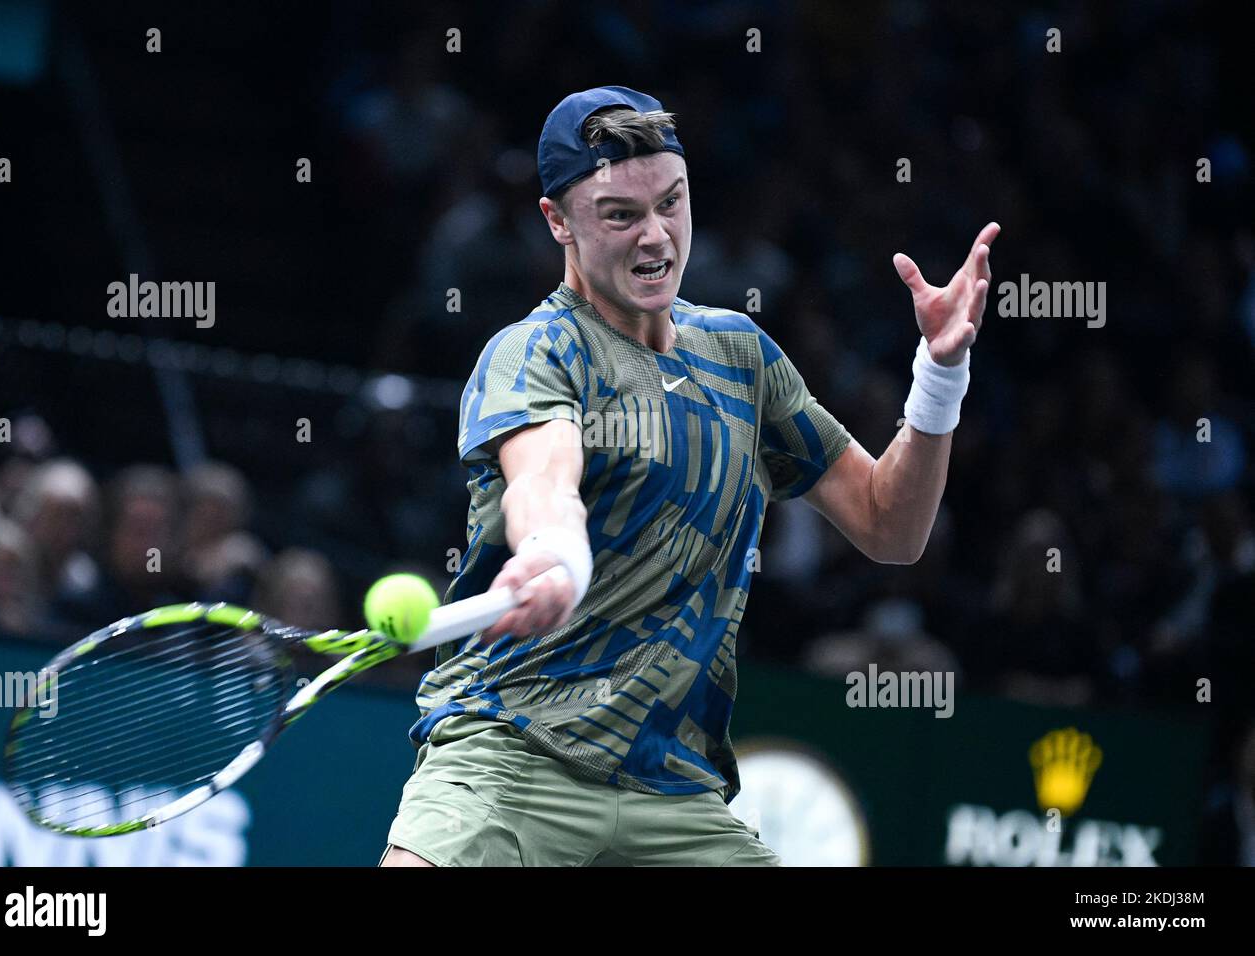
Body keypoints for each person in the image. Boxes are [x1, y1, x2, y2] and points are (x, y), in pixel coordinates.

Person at [381, 86, 998, 866]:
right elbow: (545, 476)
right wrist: (550, 551)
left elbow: (892, 528)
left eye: (672, 204)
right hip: (512, 757)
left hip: (674, 790)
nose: (657, 238)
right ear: (556, 221)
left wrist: (939, 378)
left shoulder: (741, 357)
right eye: (619, 215)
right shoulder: (535, 352)